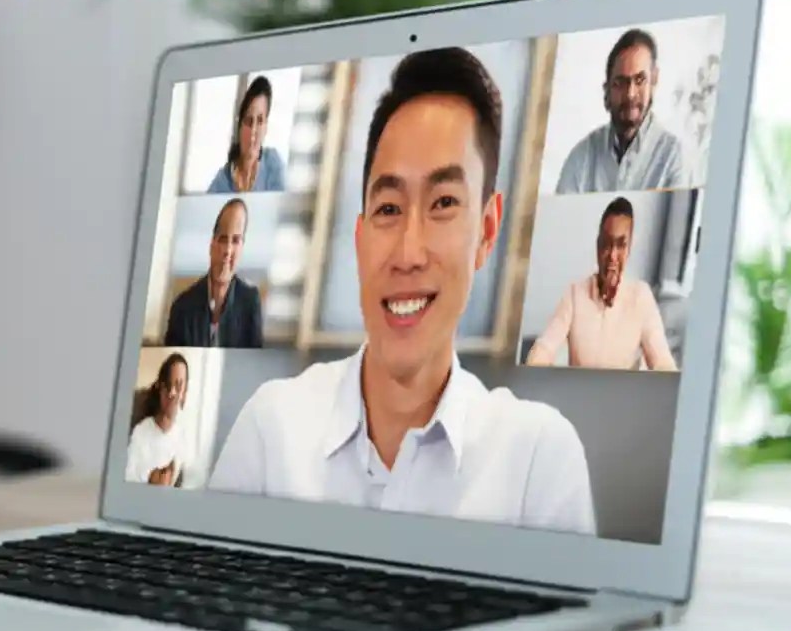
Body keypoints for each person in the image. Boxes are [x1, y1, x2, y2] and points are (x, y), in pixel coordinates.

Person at [208, 48, 596, 535]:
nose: (408, 252)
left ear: (487, 230)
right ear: (360, 236)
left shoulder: (538, 459)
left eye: (444, 202)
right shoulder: (272, 427)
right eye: (389, 209)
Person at [526, 196, 677, 371]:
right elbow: (544, 347)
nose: (613, 256)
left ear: (628, 250)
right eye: (607, 244)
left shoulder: (641, 297)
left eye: (621, 245)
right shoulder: (575, 293)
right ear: (598, 246)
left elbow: (663, 363)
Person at [556, 28, 688, 194]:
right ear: (607, 90)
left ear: (654, 81)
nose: (630, 94)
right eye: (620, 83)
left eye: (640, 80)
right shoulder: (581, 157)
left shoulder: (674, 157)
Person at [164, 198, 264, 348]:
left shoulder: (250, 302)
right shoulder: (182, 307)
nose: (228, 251)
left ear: (242, 248)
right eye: (223, 239)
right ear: (212, 244)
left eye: (235, 241)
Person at [207, 76, 286, 193]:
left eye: (260, 121)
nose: (253, 131)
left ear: (266, 127)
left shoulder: (273, 163)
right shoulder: (222, 181)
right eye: (249, 121)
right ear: (240, 126)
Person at [125, 353, 194, 487]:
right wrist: (151, 480)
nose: (172, 393)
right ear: (160, 388)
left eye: (178, 386)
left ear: (184, 393)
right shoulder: (141, 432)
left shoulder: (184, 439)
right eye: (167, 385)